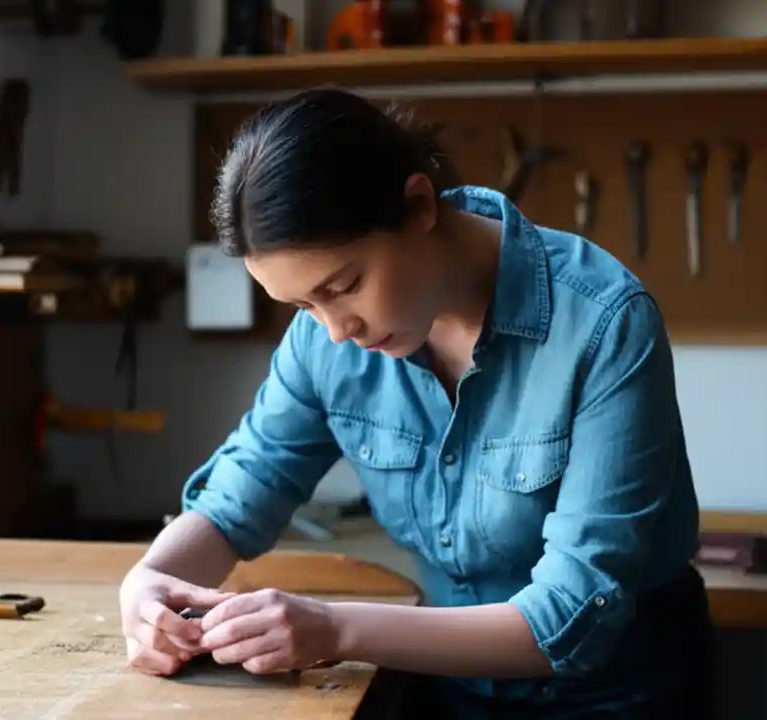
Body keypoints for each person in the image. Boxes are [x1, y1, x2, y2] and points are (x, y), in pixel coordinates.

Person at [117, 87, 714, 719]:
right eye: (301, 306)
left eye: (344, 286)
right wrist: (151, 579)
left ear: (419, 205)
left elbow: (571, 616)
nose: (335, 330)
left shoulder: (603, 325)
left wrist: (332, 628)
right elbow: (243, 491)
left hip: (617, 694)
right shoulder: (326, 338)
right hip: (444, 684)